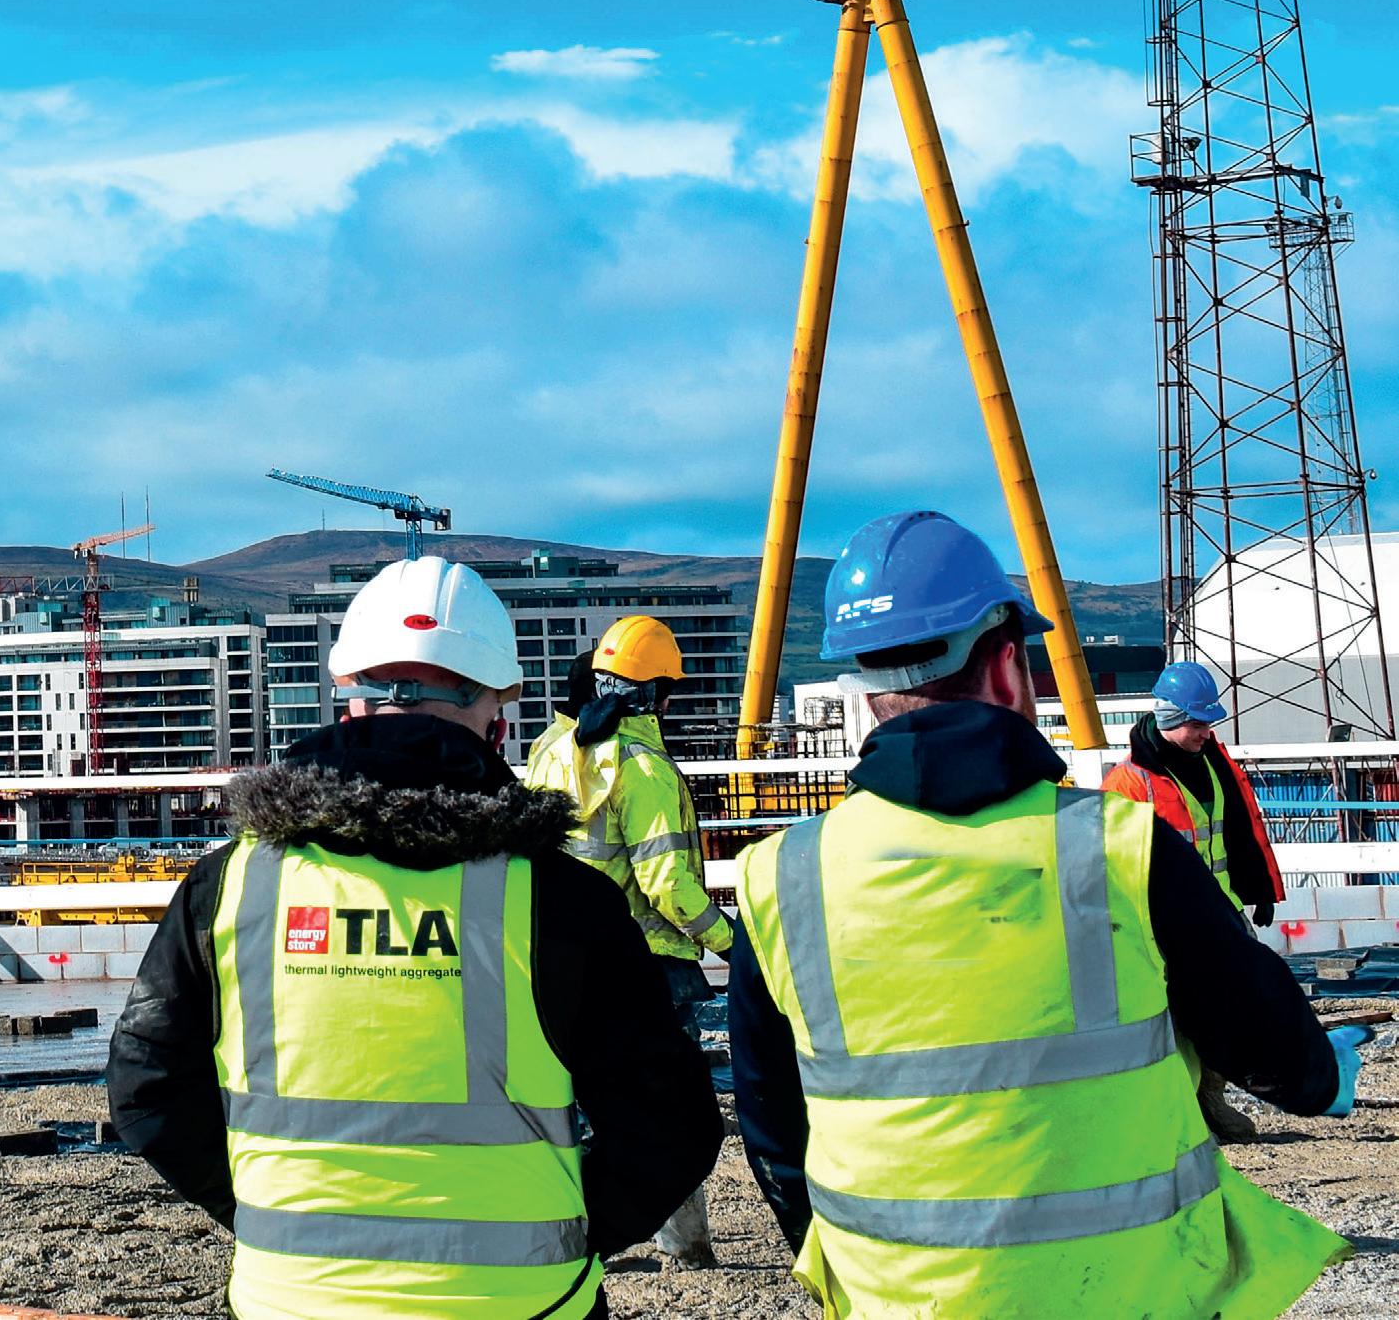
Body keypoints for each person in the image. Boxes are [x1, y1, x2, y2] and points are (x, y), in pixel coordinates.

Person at [727, 510, 1359, 1318]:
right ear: (1004, 669)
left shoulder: (782, 879)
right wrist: (1324, 1073)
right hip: (1131, 1296)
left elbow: (772, 1130)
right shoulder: (1120, 849)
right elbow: (1270, 1044)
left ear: (865, 685)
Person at [107, 555, 721, 1319]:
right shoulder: (561, 900)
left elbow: (147, 1088)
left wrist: (264, 1219)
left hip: (290, 1299)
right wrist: (569, 1230)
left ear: (347, 702)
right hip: (519, 1301)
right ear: (498, 712)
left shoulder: (230, 885)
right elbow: (674, 1126)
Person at [525, 616, 733, 1269]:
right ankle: (685, 1246)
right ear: (658, 694)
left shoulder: (553, 751)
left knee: (571, 1106)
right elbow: (668, 884)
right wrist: (732, 945)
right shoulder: (643, 766)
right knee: (669, 1111)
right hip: (648, 963)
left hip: (558, 959)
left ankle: (569, 1236)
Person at [1104, 658, 1289, 1144]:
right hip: (1168, 925)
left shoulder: (1216, 764)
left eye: (1209, 722)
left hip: (1222, 913)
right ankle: (1183, 1114)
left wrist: (1260, 890)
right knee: (1178, 1020)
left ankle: (1211, 1100)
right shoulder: (1129, 783)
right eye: (1197, 722)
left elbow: (1244, 829)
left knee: (1231, 1011)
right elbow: (1110, 861)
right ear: (1168, 719)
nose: (1206, 731)